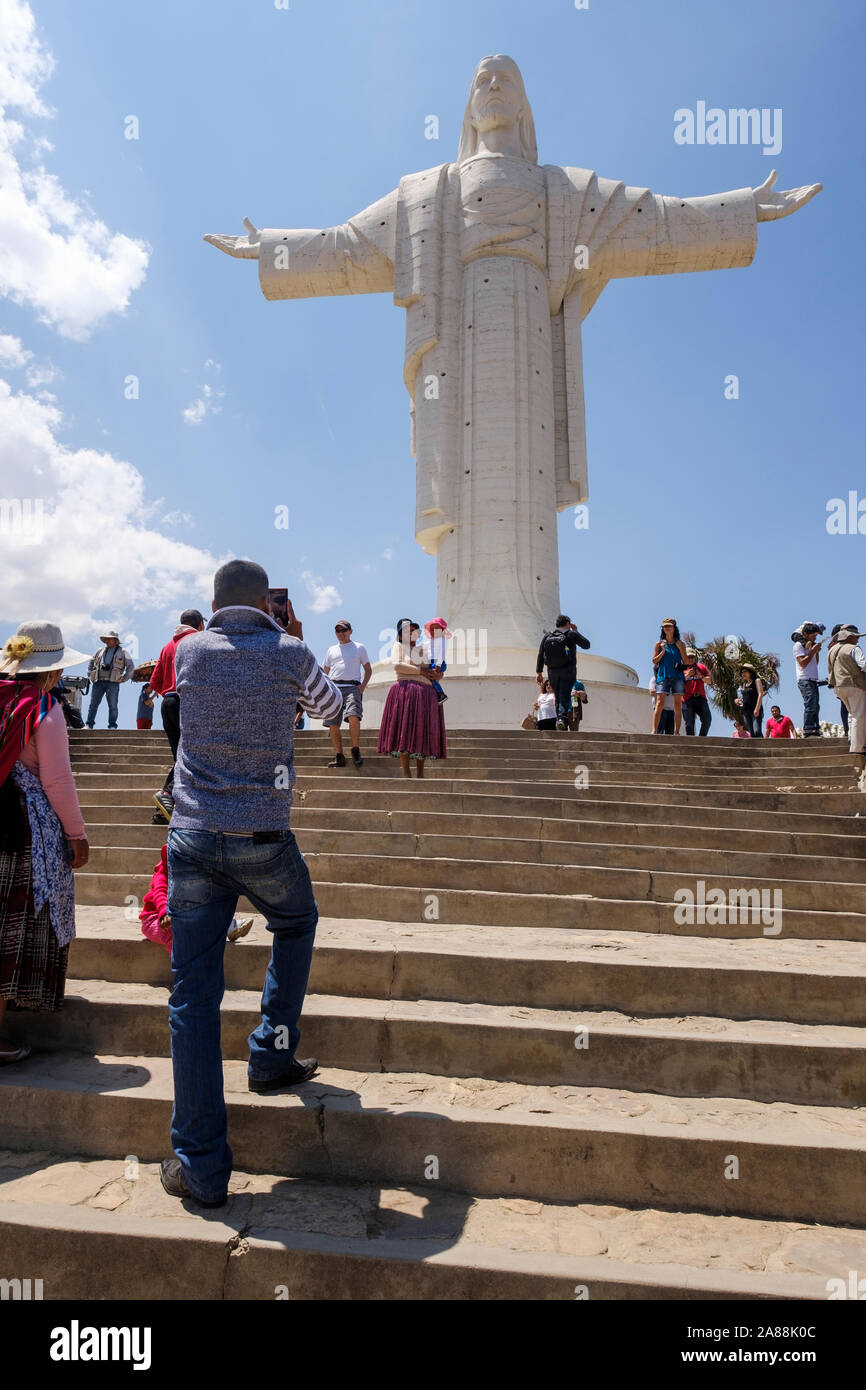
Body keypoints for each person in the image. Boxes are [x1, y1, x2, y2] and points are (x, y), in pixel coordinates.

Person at [160, 559, 343, 1208]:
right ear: (268, 602)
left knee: (193, 993)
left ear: (212, 601)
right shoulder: (290, 650)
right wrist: (289, 644)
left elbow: (179, 718)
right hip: (262, 832)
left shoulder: (188, 652)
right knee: (294, 921)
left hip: (192, 837)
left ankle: (202, 1167)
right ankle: (270, 1050)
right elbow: (333, 708)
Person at [0, 621, 90, 1064]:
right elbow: (56, 779)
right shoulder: (45, 710)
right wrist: (76, 834)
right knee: (6, 927)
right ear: (52, 672)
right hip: (18, 826)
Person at [139, 845, 252, 953]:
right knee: (177, 932)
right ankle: (182, 965)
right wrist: (164, 913)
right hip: (155, 919)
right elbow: (160, 892)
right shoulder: (164, 871)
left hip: (184, 915)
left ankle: (225, 926)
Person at [149, 610, 205, 822]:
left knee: (180, 757)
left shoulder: (167, 646)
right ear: (200, 625)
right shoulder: (198, 641)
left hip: (167, 703)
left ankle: (163, 813)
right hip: (187, 703)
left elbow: (155, 682)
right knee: (190, 756)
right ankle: (167, 793)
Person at [377, 619, 446, 778]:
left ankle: (420, 772)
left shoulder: (424, 650)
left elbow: (436, 671)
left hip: (427, 693)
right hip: (405, 692)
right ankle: (406, 771)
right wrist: (420, 672)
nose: (412, 632)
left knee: (422, 732)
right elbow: (397, 665)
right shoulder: (398, 646)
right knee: (405, 731)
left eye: (415, 630)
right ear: (400, 635)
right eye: (408, 630)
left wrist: (438, 673)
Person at [322, 620, 372, 769]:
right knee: (333, 722)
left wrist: (363, 686)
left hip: (352, 687)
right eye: (338, 631)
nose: (341, 634)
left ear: (350, 631)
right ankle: (339, 756)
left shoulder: (359, 647)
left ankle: (355, 750)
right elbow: (325, 671)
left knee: (353, 716)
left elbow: (368, 669)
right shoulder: (331, 650)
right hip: (334, 687)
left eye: (343, 630)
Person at [535, 615, 591, 731]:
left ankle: (560, 720)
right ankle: (561, 719)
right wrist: (575, 632)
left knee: (558, 697)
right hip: (568, 670)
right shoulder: (570, 634)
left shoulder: (548, 635)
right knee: (564, 695)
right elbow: (587, 645)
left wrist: (539, 672)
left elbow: (540, 654)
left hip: (552, 671)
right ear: (568, 624)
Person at [827, 625, 866, 769]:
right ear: (849, 637)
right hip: (855, 684)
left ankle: (852, 739)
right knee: (859, 715)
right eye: (856, 636)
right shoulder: (853, 649)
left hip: (838, 686)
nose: (857, 639)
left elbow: (830, 669)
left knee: (852, 715)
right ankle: (858, 748)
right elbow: (864, 665)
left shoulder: (832, 650)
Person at [85, 630, 133, 729]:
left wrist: (125, 678)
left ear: (115, 640)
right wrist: (90, 674)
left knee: (113, 705)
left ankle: (112, 726)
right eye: (106, 638)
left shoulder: (124, 652)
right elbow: (91, 662)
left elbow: (131, 666)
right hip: (98, 681)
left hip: (113, 682)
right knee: (93, 704)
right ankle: (89, 724)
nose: (107, 640)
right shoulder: (100, 650)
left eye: (109, 639)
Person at [651, 619, 687, 734]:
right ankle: (654, 730)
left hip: (677, 677)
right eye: (665, 626)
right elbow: (654, 661)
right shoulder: (659, 643)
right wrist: (662, 650)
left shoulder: (680, 644)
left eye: (669, 626)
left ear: (674, 628)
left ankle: (676, 731)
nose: (667, 628)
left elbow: (686, 662)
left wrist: (681, 649)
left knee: (677, 705)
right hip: (663, 676)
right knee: (659, 703)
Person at [793, 621, 825, 737]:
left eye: (815, 636)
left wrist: (816, 652)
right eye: (813, 636)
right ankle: (808, 729)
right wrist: (813, 651)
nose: (814, 638)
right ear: (805, 634)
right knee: (810, 705)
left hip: (813, 679)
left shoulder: (810, 645)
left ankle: (815, 730)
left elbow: (815, 662)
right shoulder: (798, 645)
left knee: (816, 705)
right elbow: (802, 663)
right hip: (804, 680)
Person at [419, 618, 451, 703]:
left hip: (438, 662)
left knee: (432, 677)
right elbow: (424, 645)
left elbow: (442, 653)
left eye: (437, 629)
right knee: (430, 678)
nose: (434, 631)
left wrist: (438, 665)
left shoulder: (443, 640)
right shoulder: (431, 640)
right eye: (432, 629)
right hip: (432, 662)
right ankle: (435, 694)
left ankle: (441, 694)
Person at [682, 648, 712, 736]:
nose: (691, 659)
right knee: (689, 724)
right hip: (687, 699)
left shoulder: (701, 667)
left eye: (692, 657)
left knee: (707, 720)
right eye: (689, 657)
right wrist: (687, 675)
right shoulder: (680, 668)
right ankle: (691, 743)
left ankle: (701, 739)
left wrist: (701, 676)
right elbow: (677, 683)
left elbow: (709, 681)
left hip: (700, 698)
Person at [828, 625, 850, 737]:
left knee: (844, 705)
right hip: (845, 678)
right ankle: (848, 729)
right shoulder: (839, 645)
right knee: (847, 706)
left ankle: (847, 729)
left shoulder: (831, 646)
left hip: (837, 679)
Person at [737, 663, 766, 739]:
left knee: (757, 731)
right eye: (742, 672)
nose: (743, 674)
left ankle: (763, 748)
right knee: (752, 733)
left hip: (755, 710)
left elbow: (760, 694)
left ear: (750, 672)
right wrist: (737, 700)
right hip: (746, 711)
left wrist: (757, 708)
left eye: (745, 671)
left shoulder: (757, 680)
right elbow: (743, 698)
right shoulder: (744, 684)